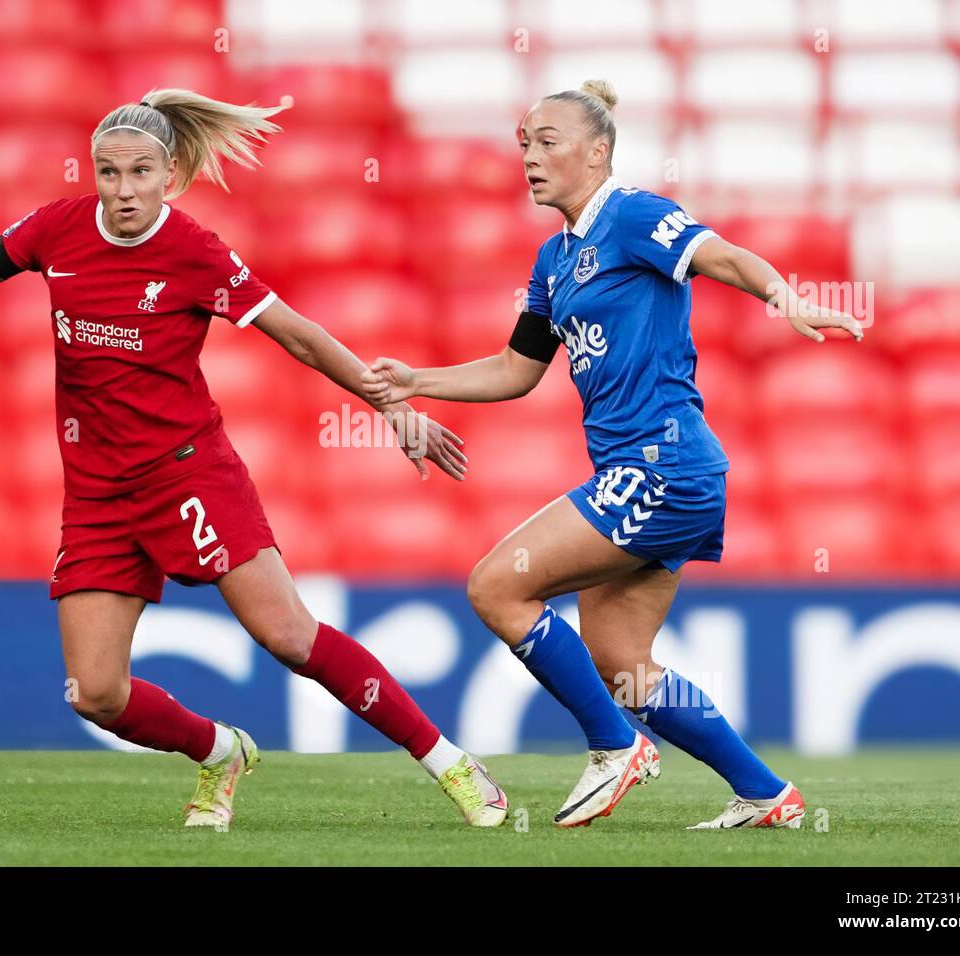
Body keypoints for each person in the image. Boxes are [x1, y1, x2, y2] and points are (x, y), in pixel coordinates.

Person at [0, 88, 507, 830]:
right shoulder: (56, 230)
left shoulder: (195, 252)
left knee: (289, 637)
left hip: (188, 473)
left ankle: (451, 763)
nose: (123, 190)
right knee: (96, 694)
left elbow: (298, 335)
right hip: (97, 496)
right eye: (108, 173)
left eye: (140, 172)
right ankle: (219, 754)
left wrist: (388, 405)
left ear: (169, 172)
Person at [363, 79, 862, 829]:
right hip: (652, 474)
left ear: (597, 153)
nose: (529, 157)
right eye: (523, 143)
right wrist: (419, 380)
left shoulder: (632, 215)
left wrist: (780, 294)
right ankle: (766, 794)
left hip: (662, 466)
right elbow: (515, 370)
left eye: (547, 142)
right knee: (623, 664)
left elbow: (717, 254)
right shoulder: (553, 260)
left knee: (498, 587)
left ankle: (613, 747)